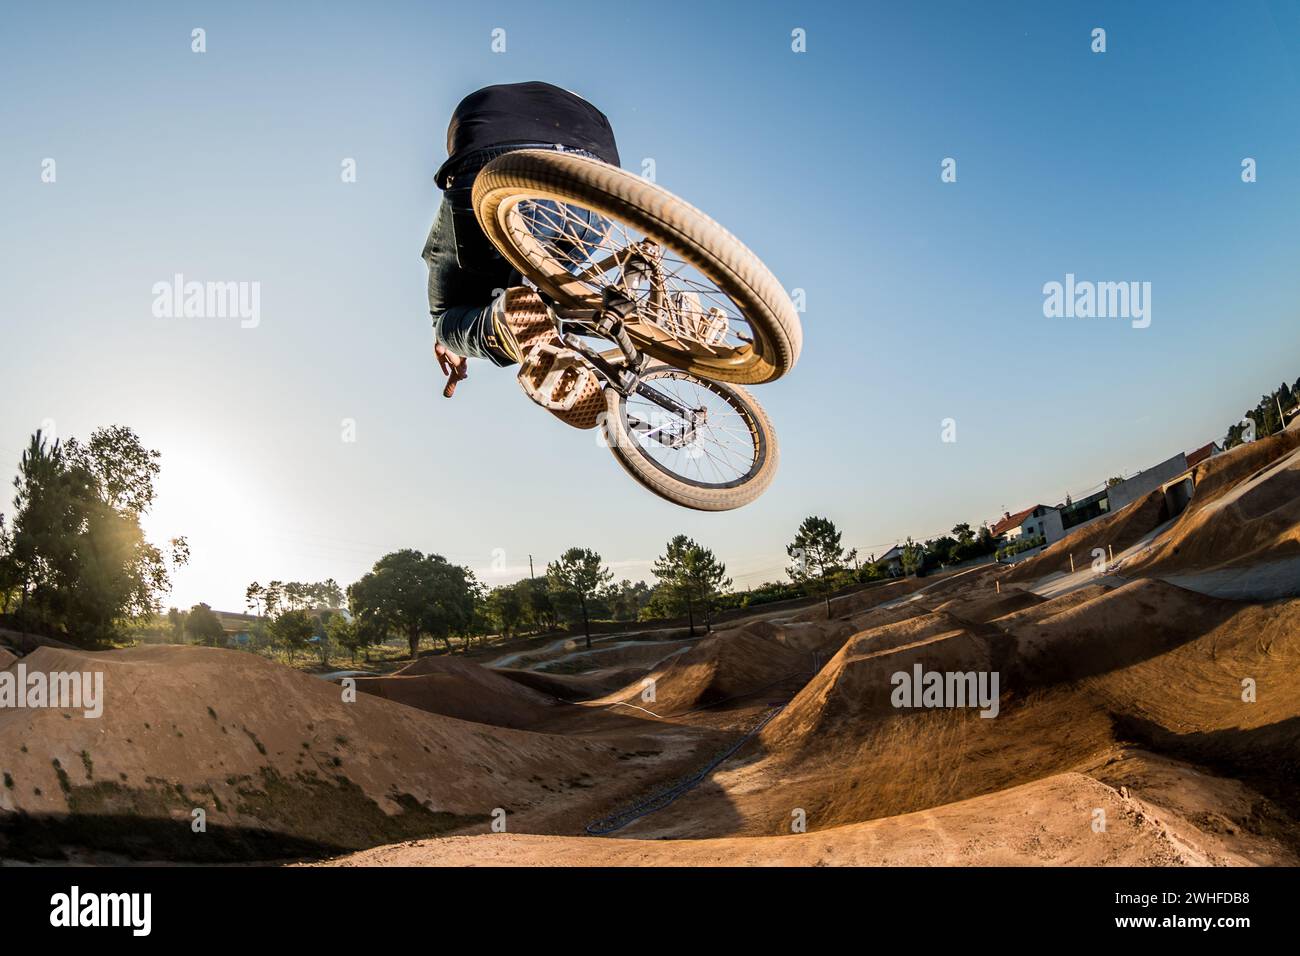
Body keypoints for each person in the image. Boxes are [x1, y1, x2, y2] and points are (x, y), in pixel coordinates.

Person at [423, 81, 620, 396]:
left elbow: (441, 256)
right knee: (540, 284)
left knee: (444, 320)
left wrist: (454, 337)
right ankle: (668, 313)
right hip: (596, 182)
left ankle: (503, 326)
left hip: (501, 167)